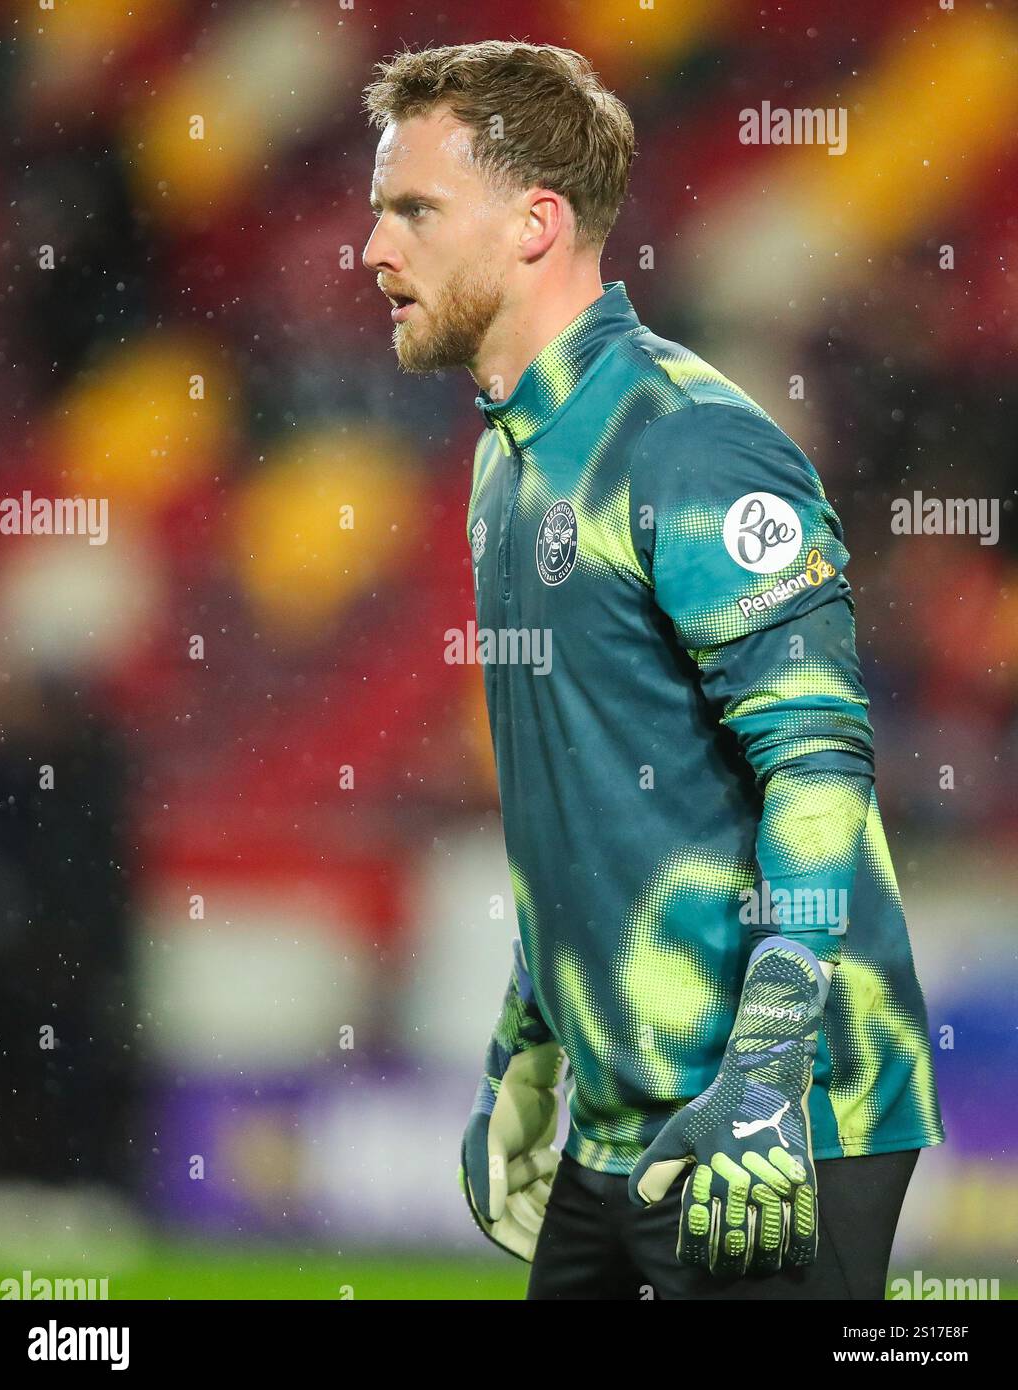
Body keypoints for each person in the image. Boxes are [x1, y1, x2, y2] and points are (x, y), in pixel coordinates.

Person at [361, 40, 944, 1300]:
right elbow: (586, 802)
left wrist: (765, 1075)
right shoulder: (506, 460)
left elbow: (817, 762)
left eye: (411, 208)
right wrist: (528, 1040)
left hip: (774, 1129)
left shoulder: (686, 446)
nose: (373, 250)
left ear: (535, 223)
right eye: (375, 210)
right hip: (623, 1124)